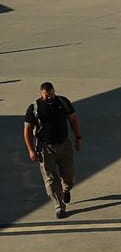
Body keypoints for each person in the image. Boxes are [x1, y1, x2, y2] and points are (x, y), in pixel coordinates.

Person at [23, 82, 82, 219]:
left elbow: (73, 119)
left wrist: (78, 137)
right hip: (45, 148)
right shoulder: (34, 108)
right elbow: (27, 130)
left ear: (54, 92)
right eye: (45, 96)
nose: (48, 98)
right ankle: (59, 205)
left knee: (69, 175)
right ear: (41, 94)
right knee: (50, 179)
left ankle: (66, 189)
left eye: (50, 95)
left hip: (64, 145)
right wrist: (31, 150)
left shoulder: (63, 102)